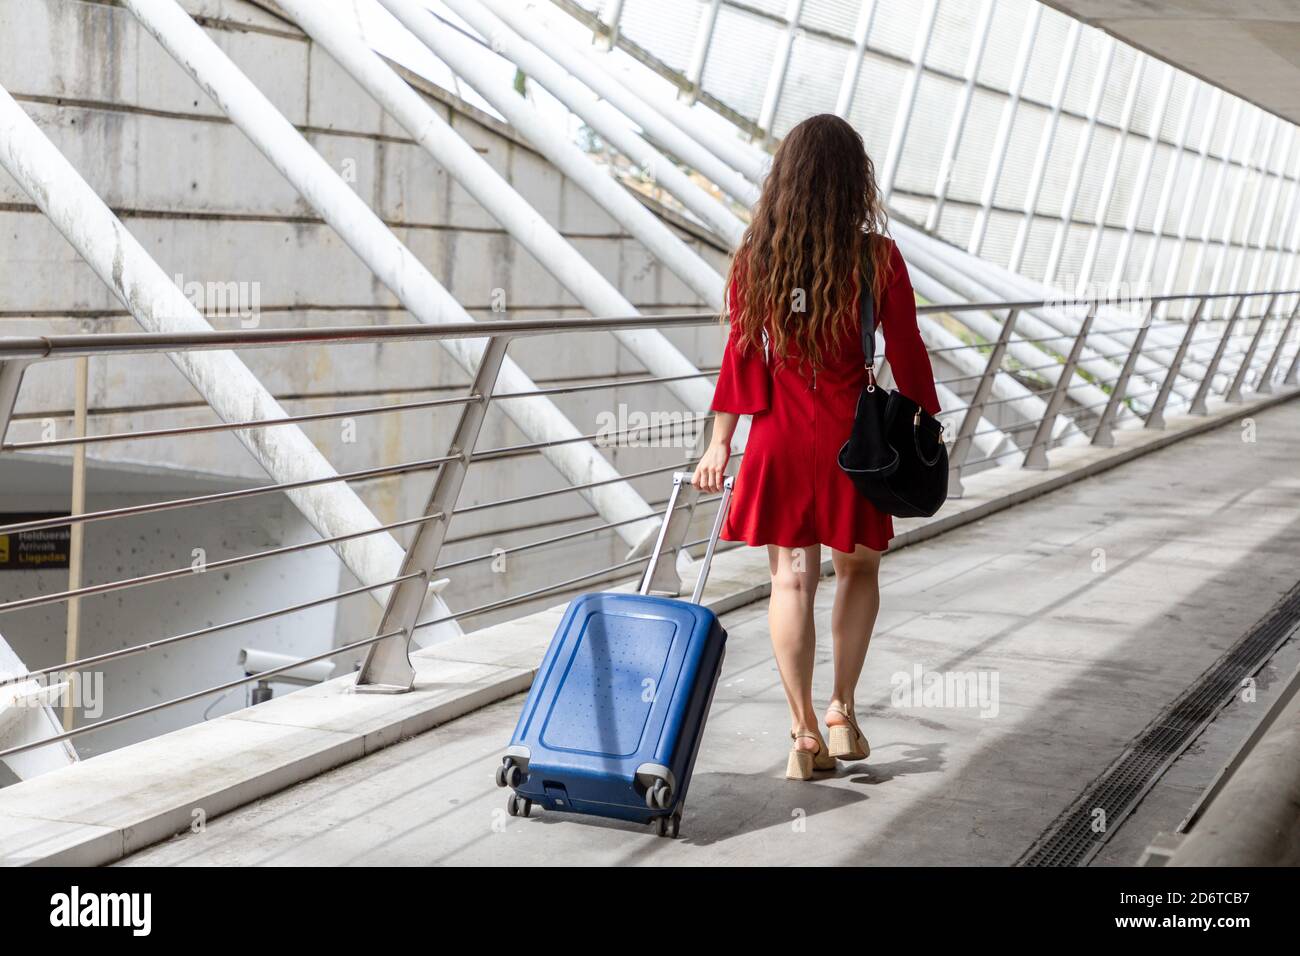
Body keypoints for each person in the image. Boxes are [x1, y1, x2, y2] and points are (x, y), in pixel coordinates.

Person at [692, 113, 940, 781]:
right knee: (857, 571)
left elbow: (742, 354)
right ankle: (840, 709)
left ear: (787, 177)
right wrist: (923, 422)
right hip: (852, 440)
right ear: (854, 179)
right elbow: (907, 350)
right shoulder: (877, 257)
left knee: (790, 578)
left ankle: (802, 732)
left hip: (775, 433)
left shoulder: (758, 258)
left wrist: (719, 443)